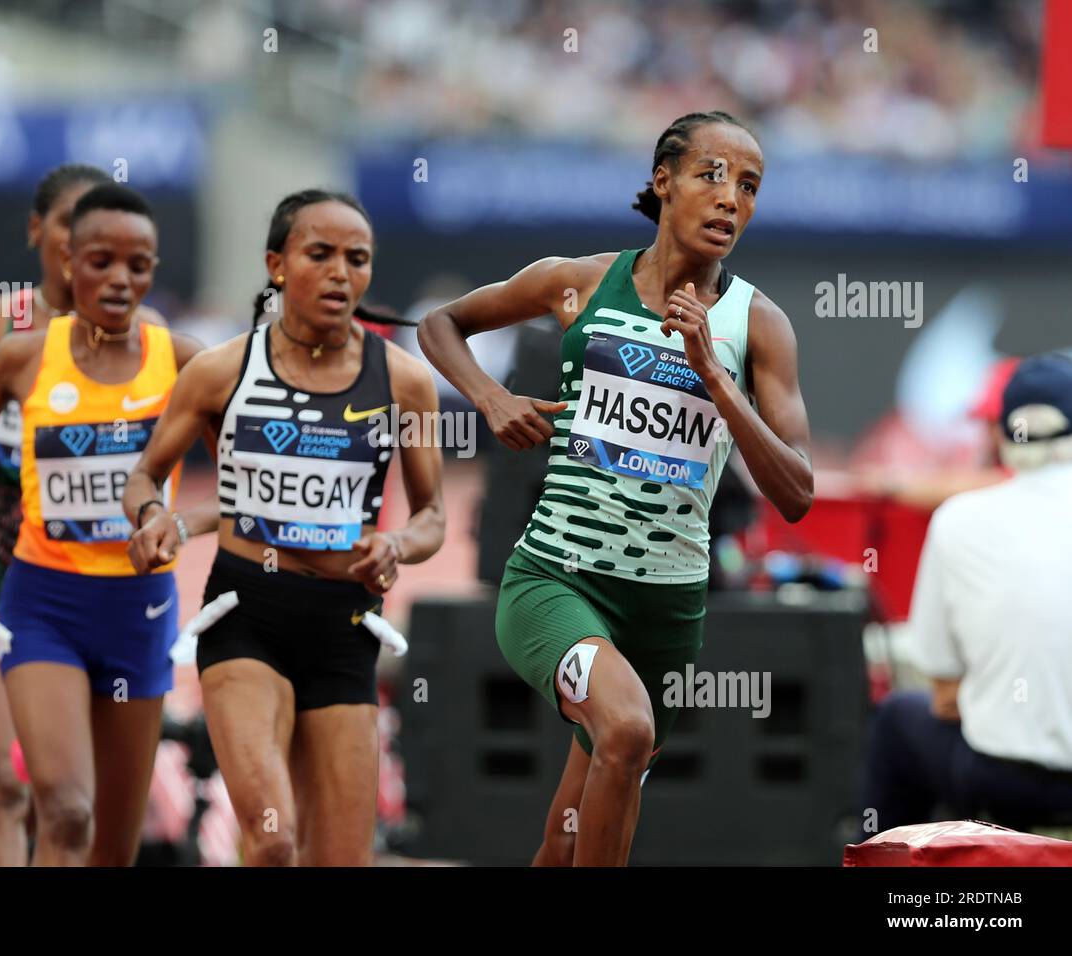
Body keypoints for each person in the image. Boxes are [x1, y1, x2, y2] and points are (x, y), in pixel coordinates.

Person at [419, 111, 814, 866]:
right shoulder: (577, 284)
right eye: (712, 175)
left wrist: (715, 379)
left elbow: (796, 491)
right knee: (628, 731)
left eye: (751, 186)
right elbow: (442, 326)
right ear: (663, 182)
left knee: (565, 839)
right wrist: (493, 400)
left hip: (666, 608)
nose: (732, 198)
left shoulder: (758, 326)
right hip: (555, 579)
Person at [122, 189, 446, 866]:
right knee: (271, 840)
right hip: (246, 616)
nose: (340, 273)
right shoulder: (221, 372)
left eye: (356, 259)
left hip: (346, 631)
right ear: (277, 264)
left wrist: (396, 544)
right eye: (319, 254)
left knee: (342, 859)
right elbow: (145, 476)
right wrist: (154, 518)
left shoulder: (405, 383)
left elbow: (432, 517)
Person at [0, 183, 204, 866]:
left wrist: (180, 522)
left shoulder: (188, 361)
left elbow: (243, 489)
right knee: (66, 811)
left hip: (140, 610)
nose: (119, 279)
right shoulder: (22, 355)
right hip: (41, 601)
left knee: (114, 845)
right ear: (67, 259)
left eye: (138, 266)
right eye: (101, 261)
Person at [861, 353, 1072, 834]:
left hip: (1003, 782)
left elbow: (944, 698)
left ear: (1001, 436)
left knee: (897, 719)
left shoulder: (959, 517)